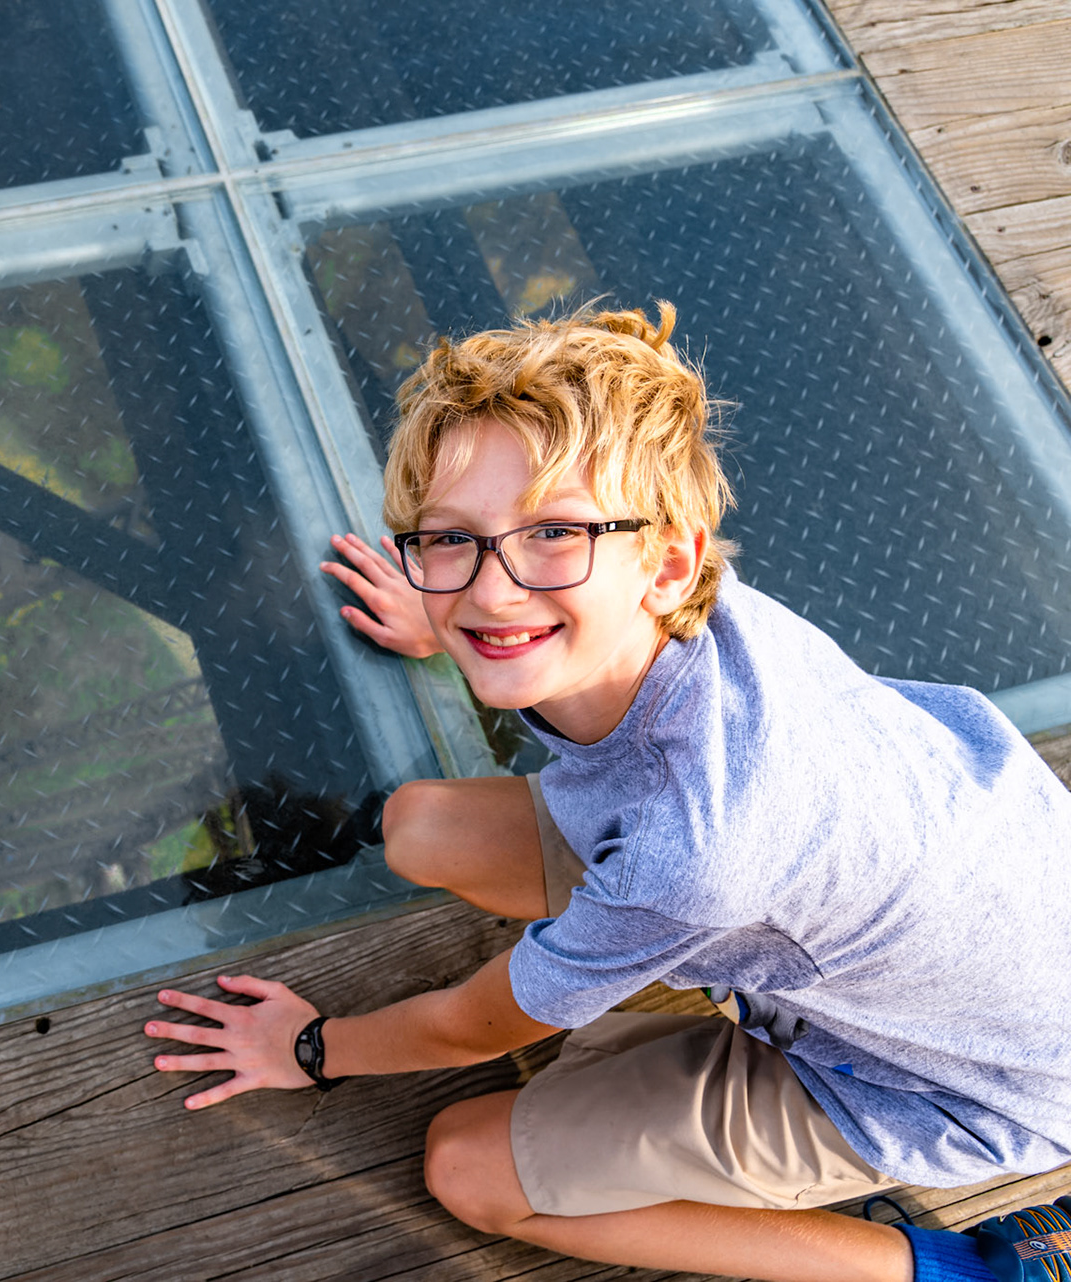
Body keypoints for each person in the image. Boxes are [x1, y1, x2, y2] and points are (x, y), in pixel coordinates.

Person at [142, 304, 1071, 1282]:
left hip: (955, 1079)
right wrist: (451, 619)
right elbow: (523, 602)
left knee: (471, 1165)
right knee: (423, 827)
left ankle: (971, 1272)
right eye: (452, 538)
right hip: (955, 921)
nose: (495, 590)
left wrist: (310, 1047)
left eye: (554, 533)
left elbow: (474, 1023)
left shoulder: (700, 846)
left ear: (670, 560)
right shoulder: (684, 600)